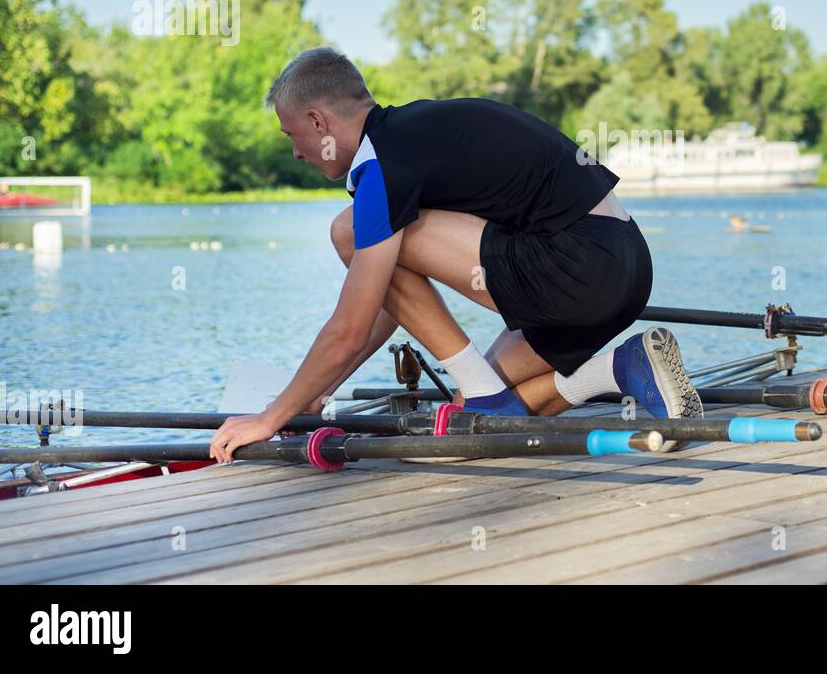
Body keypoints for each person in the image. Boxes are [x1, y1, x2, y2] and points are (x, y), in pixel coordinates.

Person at [209, 47, 701, 462]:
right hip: (625, 269)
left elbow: (350, 327)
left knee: (348, 230)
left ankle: (483, 386)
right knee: (478, 419)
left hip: (578, 267)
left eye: (291, 134)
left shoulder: (383, 166)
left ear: (318, 121)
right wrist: (317, 394)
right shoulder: (418, 134)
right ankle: (619, 367)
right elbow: (388, 302)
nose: (295, 151)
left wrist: (270, 417)